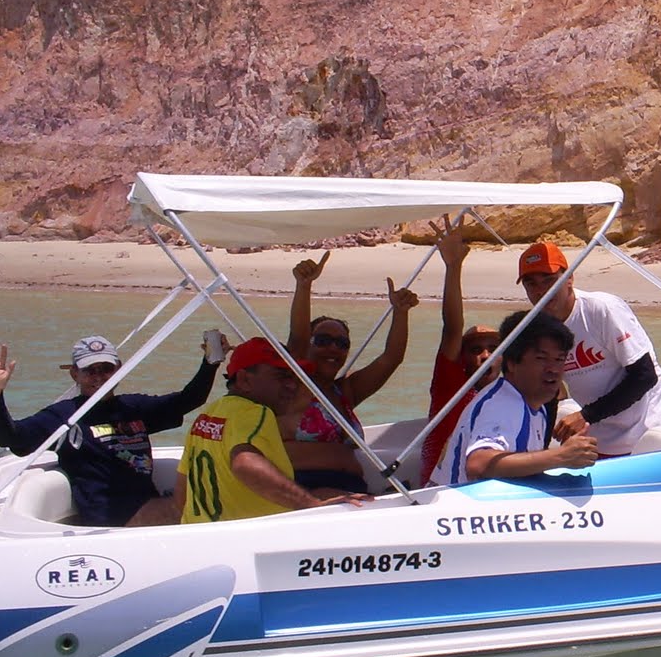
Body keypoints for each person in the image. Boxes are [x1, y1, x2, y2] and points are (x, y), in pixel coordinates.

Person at [0, 333, 223, 527]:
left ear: (119, 369)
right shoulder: (64, 416)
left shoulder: (134, 407)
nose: (99, 377)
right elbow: (13, 439)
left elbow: (189, 400)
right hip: (109, 519)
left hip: (148, 505)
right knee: (200, 507)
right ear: (75, 374)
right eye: (90, 371)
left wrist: (210, 362)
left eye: (106, 369)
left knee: (209, 494)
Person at [516, 241, 661, 457]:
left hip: (650, 431)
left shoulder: (602, 309)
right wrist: (541, 452)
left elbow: (645, 376)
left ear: (569, 278)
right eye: (531, 284)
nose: (541, 291)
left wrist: (585, 416)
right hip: (602, 439)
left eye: (549, 280)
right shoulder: (537, 328)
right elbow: (550, 390)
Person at [177, 337, 367, 523]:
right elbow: (245, 464)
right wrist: (311, 504)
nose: (292, 385)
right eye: (281, 376)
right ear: (244, 380)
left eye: (293, 377)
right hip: (254, 537)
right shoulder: (256, 412)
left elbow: (182, 494)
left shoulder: (206, 416)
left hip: (203, 532)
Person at [282, 251, 420, 493]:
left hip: (351, 489)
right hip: (306, 492)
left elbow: (391, 359)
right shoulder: (292, 387)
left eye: (342, 344)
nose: (333, 348)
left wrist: (400, 312)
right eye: (323, 340)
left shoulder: (345, 391)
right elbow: (297, 339)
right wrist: (304, 286)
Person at [430, 311, 600, 484]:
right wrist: (561, 456)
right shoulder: (501, 405)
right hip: (455, 500)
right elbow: (478, 465)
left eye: (559, 359)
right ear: (511, 363)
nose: (553, 369)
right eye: (541, 358)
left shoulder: (537, 407)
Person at [418, 218, 502, 479]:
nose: (485, 355)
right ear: (462, 358)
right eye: (476, 350)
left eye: (493, 348)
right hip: (438, 489)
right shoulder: (450, 387)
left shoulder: (507, 395)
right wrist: (453, 267)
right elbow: (452, 328)